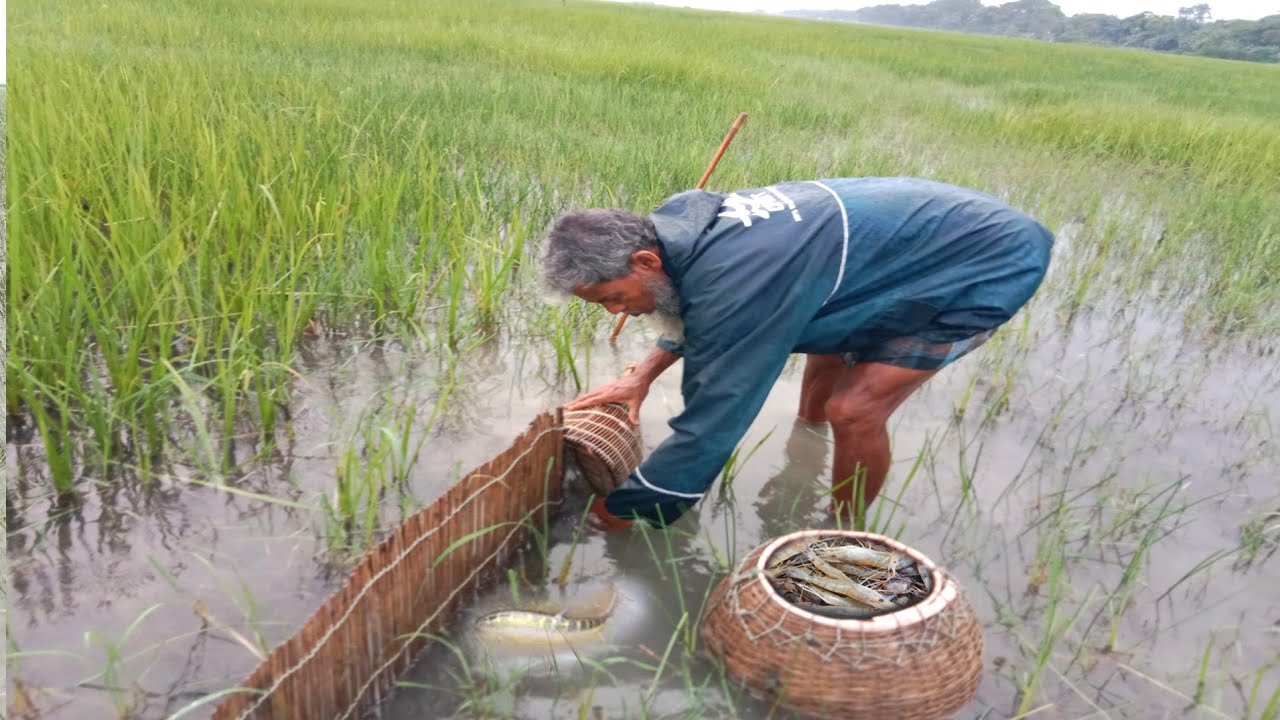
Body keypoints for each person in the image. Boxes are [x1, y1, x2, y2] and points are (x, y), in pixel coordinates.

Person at [542, 177, 1053, 530]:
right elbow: (694, 306)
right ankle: (805, 443)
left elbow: (711, 425)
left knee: (854, 410)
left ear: (645, 259)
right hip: (893, 245)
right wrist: (644, 374)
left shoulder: (738, 277)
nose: (616, 312)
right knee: (821, 344)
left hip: (983, 257)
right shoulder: (683, 228)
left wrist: (619, 514)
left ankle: (841, 532)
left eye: (612, 297)